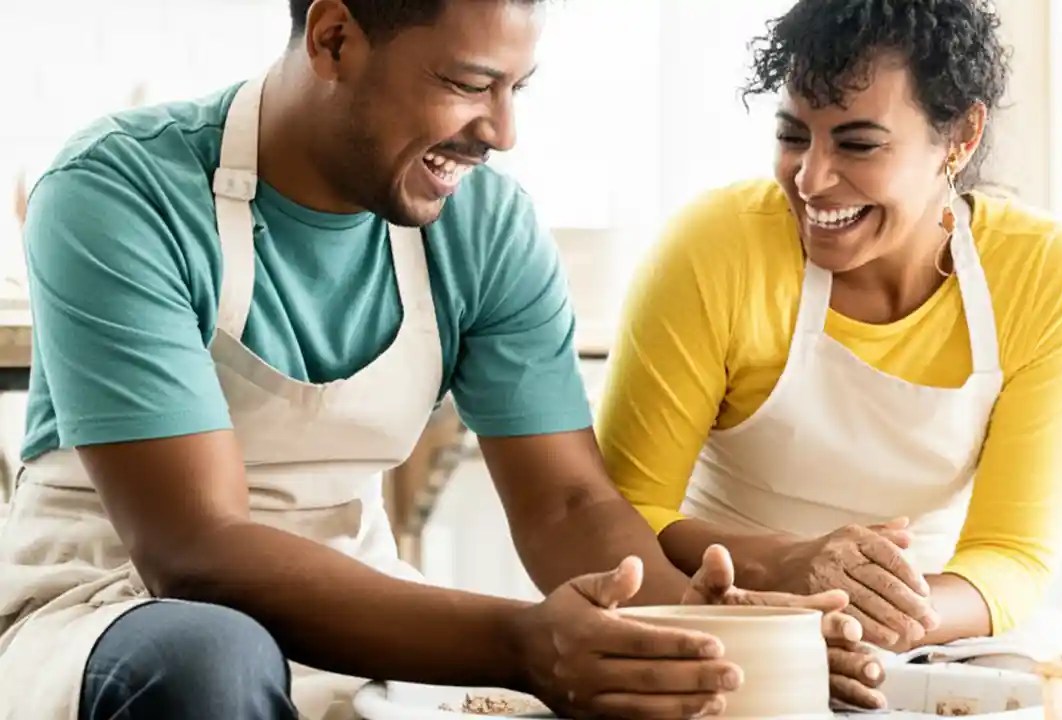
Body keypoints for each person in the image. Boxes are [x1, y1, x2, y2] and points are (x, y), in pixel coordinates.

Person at [0, 1, 886, 719]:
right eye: (469, 84)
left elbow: (569, 502)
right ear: (334, 38)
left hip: (366, 605)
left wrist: (684, 628)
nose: (500, 131)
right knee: (210, 653)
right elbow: (194, 550)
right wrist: (523, 643)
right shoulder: (120, 193)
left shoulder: (485, 226)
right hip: (108, 607)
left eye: (517, 88)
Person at [596, 0, 1062, 667]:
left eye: (858, 143)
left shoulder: (1047, 274)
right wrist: (788, 572)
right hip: (728, 603)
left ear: (960, 136)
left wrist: (873, 621)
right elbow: (625, 512)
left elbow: (1013, 556)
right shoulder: (715, 249)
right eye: (792, 136)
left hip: (933, 617)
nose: (811, 178)